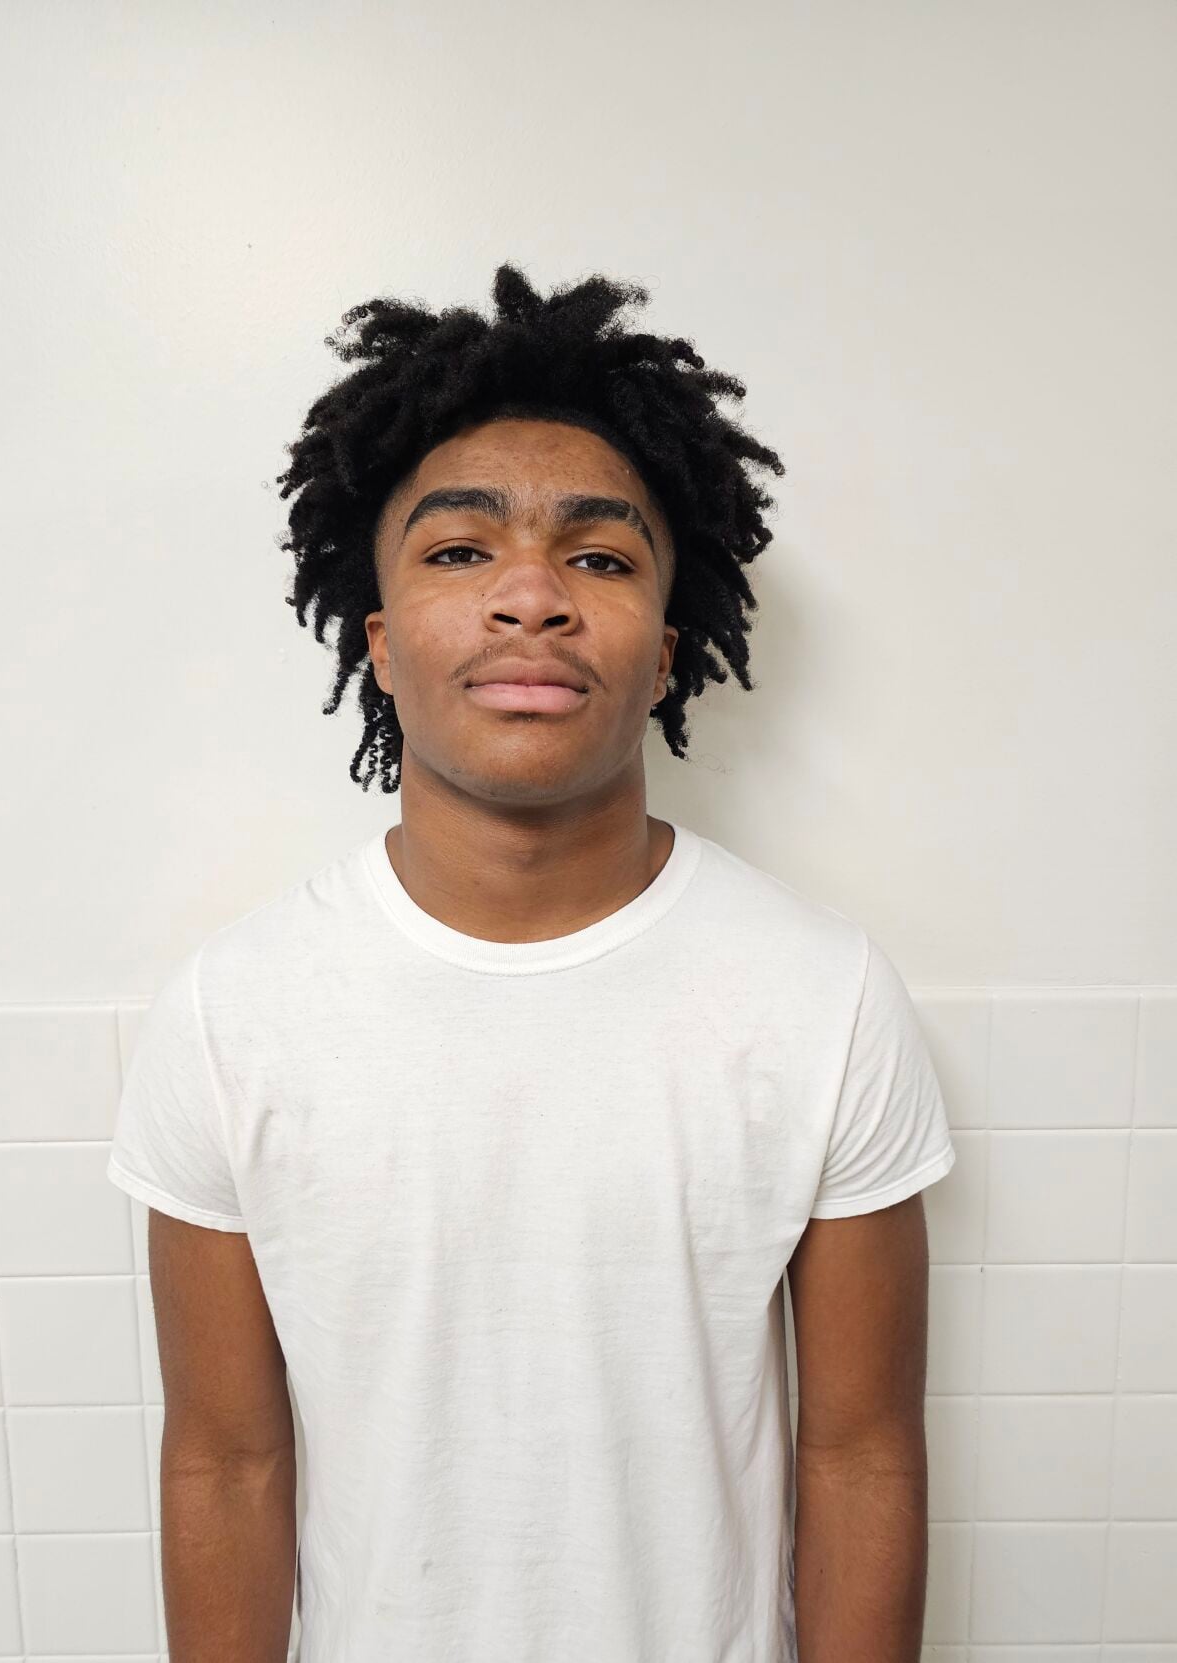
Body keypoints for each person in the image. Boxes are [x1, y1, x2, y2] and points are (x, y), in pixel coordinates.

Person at [107, 262, 956, 1663]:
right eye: (459, 551)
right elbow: (224, 1464)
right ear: (380, 645)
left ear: (665, 654)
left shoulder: (826, 999)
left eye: (600, 559)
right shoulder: (227, 1014)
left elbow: (861, 1456)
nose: (530, 597)